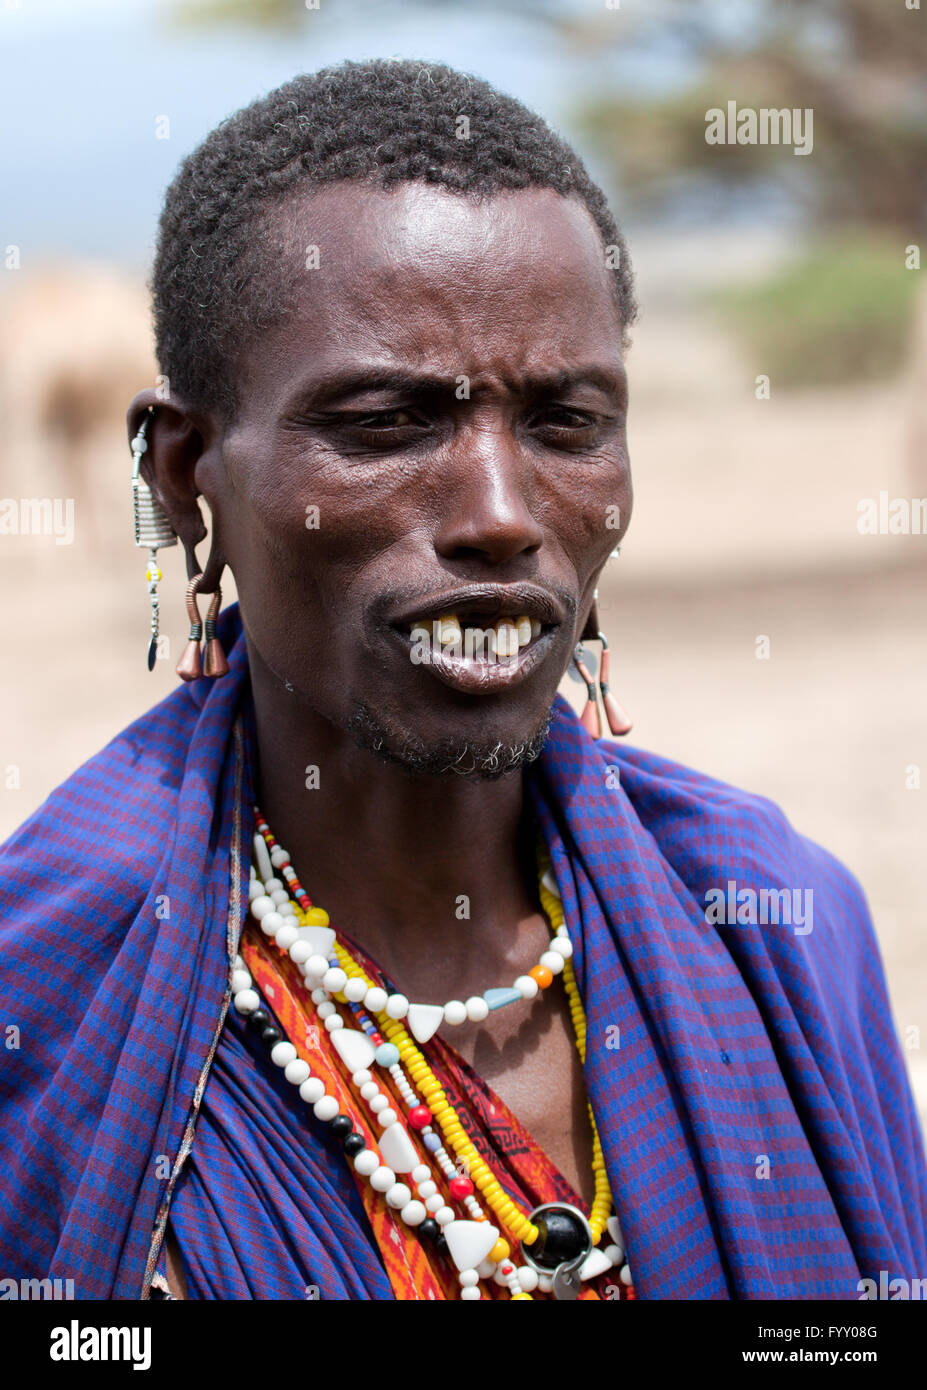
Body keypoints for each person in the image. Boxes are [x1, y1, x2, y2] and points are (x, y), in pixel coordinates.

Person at [1, 58, 924, 1303]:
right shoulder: (47, 987)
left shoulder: (777, 920)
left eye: (567, 423)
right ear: (184, 475)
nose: (501, 516)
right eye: (386, 423)